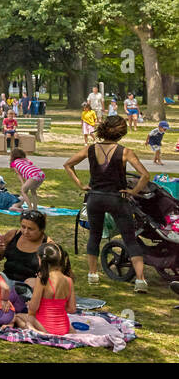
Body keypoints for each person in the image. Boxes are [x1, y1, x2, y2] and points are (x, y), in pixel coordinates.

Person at [63, 115, 151, 291]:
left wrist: (81, 185)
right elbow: (145, 175)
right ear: (121, 133)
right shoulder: (125, 152)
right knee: (130, 239)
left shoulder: (90, 149)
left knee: (94, 236)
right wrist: (133, 191)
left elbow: (68, 165)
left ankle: (93, 274)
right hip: (117, 198)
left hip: (95, 197)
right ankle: (140, 280)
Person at [15, 243, 74, 335]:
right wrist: (57, 306)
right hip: (63, 328)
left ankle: (36, 331)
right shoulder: (69, 280)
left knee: (18, 317)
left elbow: (33, 307)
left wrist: (30, 304)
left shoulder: (43, 278)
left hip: (45, 327)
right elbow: (71, 309)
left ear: (40, 259)